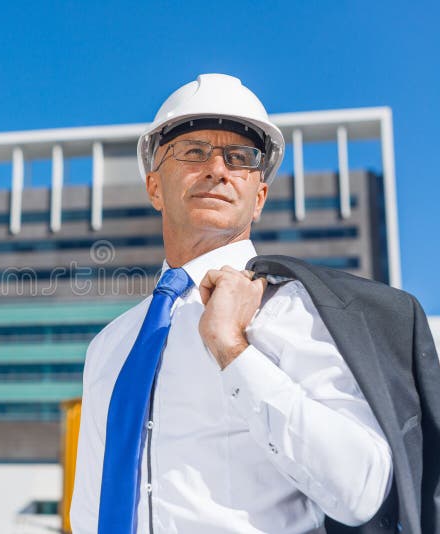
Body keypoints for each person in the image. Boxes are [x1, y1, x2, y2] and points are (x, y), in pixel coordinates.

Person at [70, 74, 403, 533]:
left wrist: (234, 352)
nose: (218, 169)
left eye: (240, 158)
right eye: (193, 152)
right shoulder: (109, 347)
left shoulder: (300, 311)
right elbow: (89, 507)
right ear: (153, 187)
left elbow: (362, 490)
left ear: (259, 197)